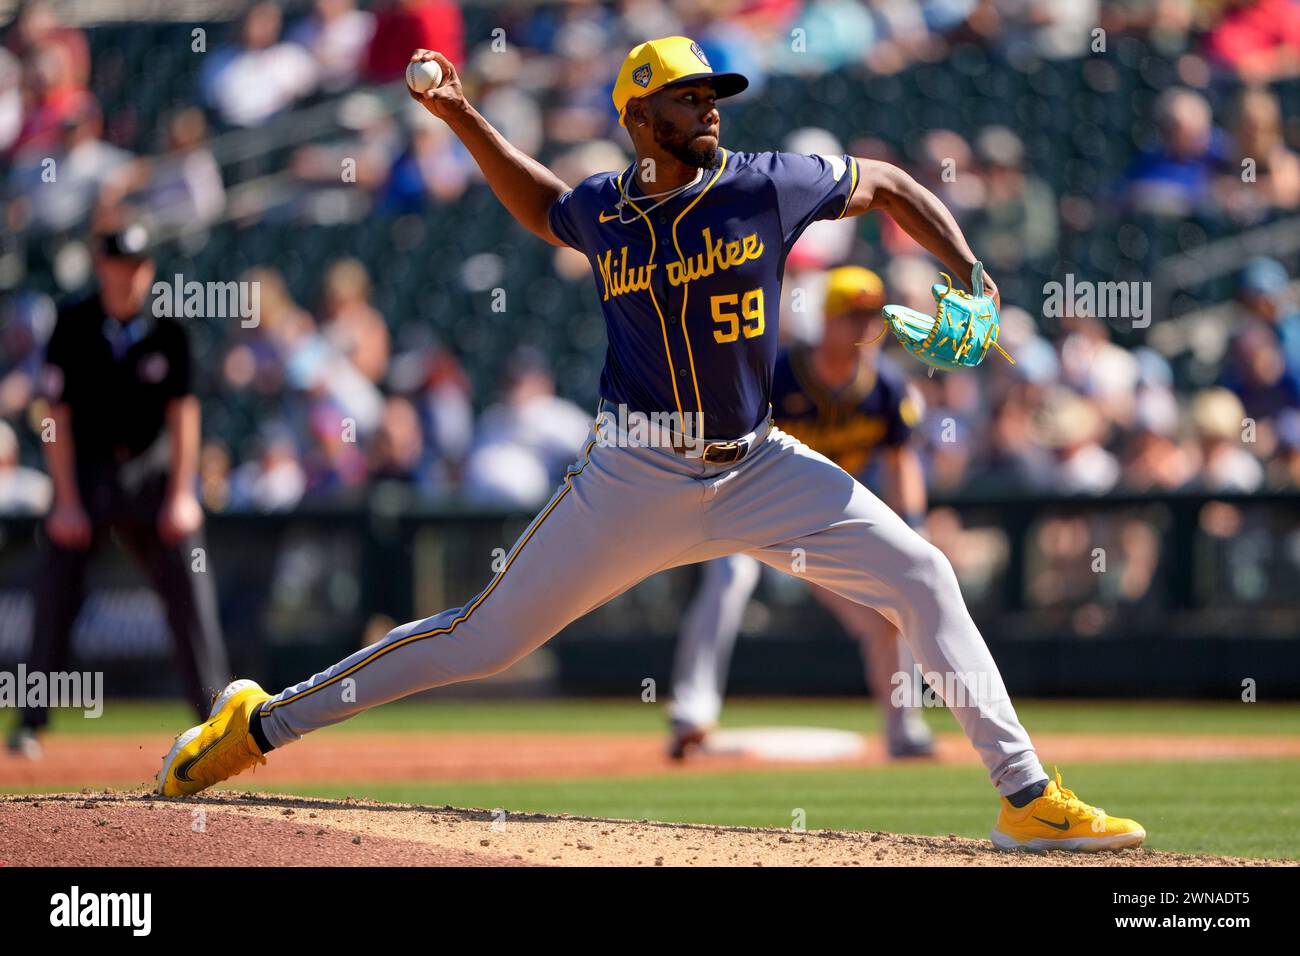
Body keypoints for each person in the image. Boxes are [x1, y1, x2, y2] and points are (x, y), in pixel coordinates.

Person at [158, 37, 1145, 852]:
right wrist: (464, 121)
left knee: (923, 572)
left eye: (713, 91)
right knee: (480, 639)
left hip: (758, 463)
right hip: (633, 472)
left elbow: (884, 181)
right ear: (640, 118)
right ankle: (260, 721)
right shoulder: (605, 205)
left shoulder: (763, 186)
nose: (710, 106)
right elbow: (542, 204)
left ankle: (1023, 792)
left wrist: (970, 270)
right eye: (686, 96)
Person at [667, 266, 935, 760]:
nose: (863, 329)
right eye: (851, 317)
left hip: (819, 526)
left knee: (888, 609)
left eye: (871, 318)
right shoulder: (781, 375)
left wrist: (913, 526)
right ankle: (691, 713)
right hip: (749, 512)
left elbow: (902, 461)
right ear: (826, 321)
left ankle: (903, 731)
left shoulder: (887, 388)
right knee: (729, 580)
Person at [9, 219, 230, 759]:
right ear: (101, 267)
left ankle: (219, 722)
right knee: (55, 586)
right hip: (86, 475)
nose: (127, 277)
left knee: (188, 583)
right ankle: (30, 724)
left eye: (137, 267)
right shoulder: (73, 323)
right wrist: (64, 500)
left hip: (152, 475)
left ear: (148, 270)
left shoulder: (171, 328)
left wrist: (183, 493)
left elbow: (183, 416)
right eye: (117, 265)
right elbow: (54, 417)